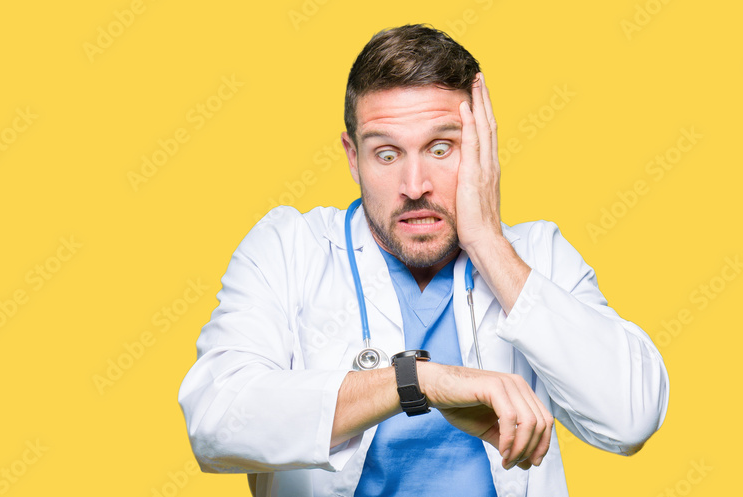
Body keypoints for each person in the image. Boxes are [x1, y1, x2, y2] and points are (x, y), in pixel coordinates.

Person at [177, 24, 669, 497]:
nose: (415, 186)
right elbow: (216, 420)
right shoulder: (289, 249)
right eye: (387, 154)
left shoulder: (537, 256)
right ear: (353, 157)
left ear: (482, 148)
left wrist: (488, 243)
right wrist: (417, 382)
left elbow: (630, 418)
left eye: (441, 148)